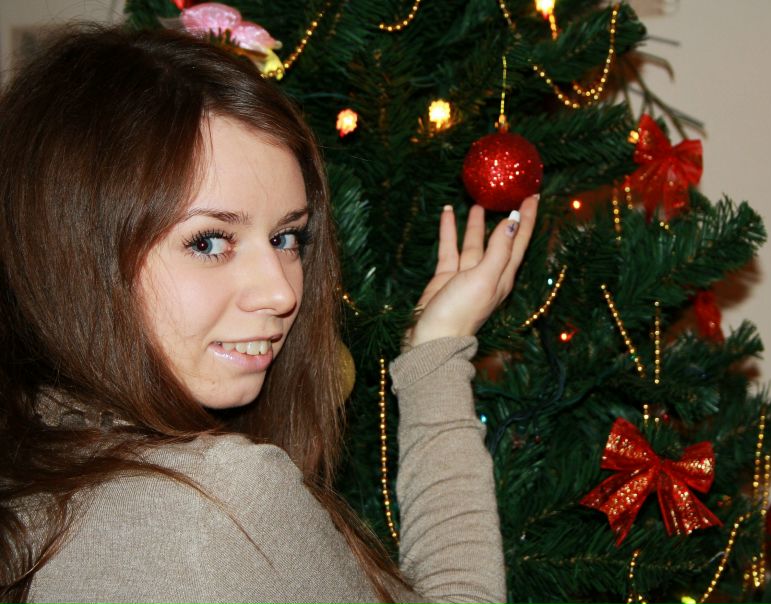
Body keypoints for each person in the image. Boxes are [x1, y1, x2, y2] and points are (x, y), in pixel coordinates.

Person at [0, 24, 538, 603]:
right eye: (209, 242)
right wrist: (438, 352)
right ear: (75, 252)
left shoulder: (34, 452)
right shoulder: (217, 506)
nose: (282, 293)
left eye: (287, 238)